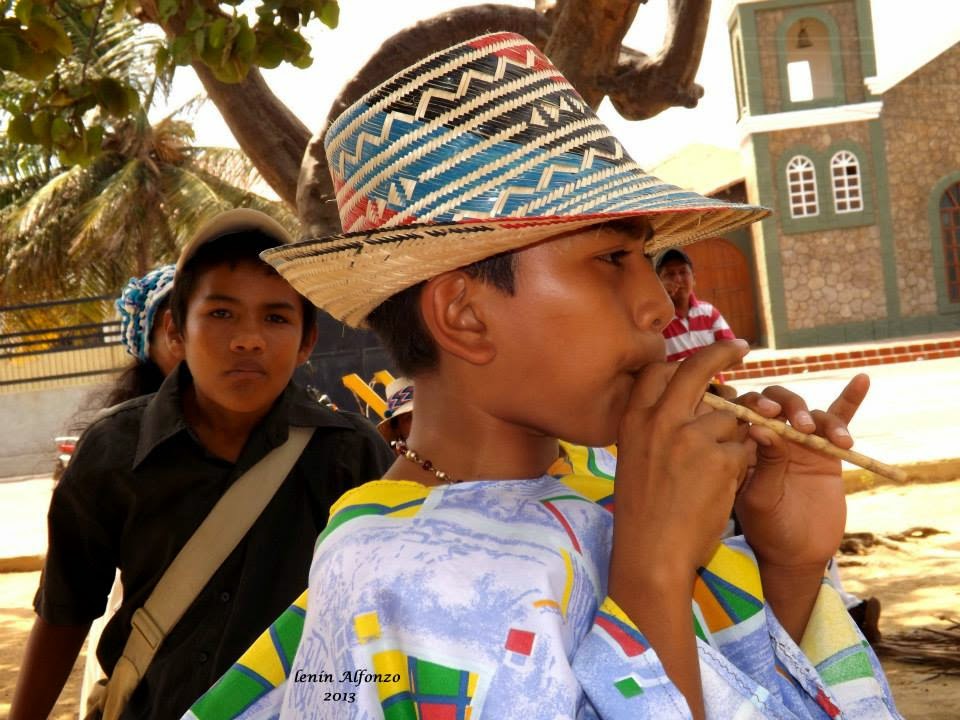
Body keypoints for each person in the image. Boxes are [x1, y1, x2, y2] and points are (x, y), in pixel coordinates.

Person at [187, 34, 900, 719]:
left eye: (648, 261)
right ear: (464, 314)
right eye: (613, 260)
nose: (657, 304)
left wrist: (791, 567)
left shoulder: (611, 484)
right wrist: (652, 569)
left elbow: (738, 680)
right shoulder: (384, 576)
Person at [11, 209, 393, 720]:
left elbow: (389, 616)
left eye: (276, 318)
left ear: (307, 342)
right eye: (221, 314)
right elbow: (65, 611)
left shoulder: (352, 455)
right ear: (175, 330)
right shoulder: (111, 452)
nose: (248, 339)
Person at [78, 264, 179, 713]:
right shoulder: (116, 448)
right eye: (173, 324)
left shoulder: (329, 444)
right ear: (148, 343)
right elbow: (67, 607)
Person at [656, 248, 736, 363]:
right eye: (670, 274)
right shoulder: (656, 321)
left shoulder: (709, 312)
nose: (678, 279)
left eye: (683, 272)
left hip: (715, 382)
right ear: (658, 283)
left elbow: (733, 355)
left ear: (694, 279)